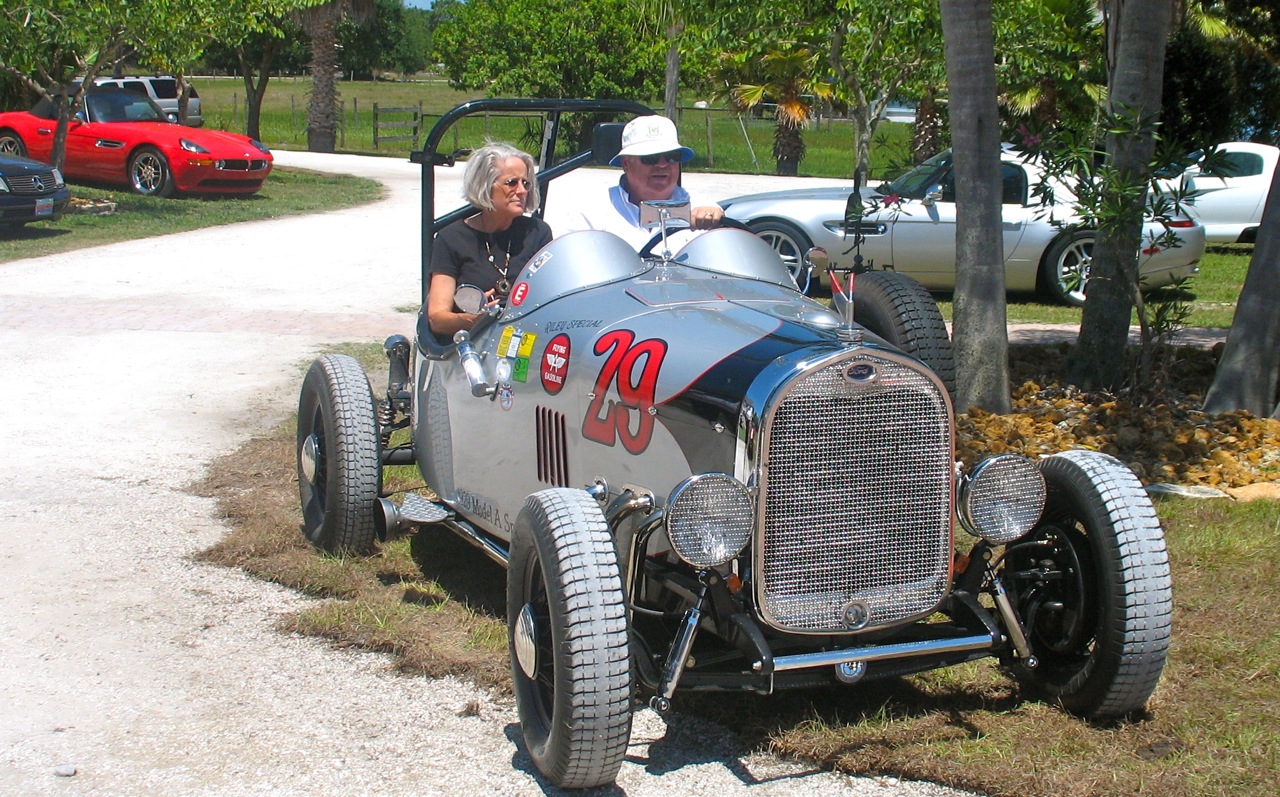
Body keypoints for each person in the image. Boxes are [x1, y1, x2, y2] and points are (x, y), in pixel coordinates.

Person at [428, 142, 553, 336]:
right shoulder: (451, 238)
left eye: (526, 183)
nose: (522, 191)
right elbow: (436, 318)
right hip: (473, 346)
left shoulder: (538, 233)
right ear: (485, 185)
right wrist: (473, 320)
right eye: (512, 182)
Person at [557, 114, 724, 249]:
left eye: (672, 157)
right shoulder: (588, 214)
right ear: (626, 164)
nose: (663, 164)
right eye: (650, 158)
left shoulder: (703, 208)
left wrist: (715, 219)